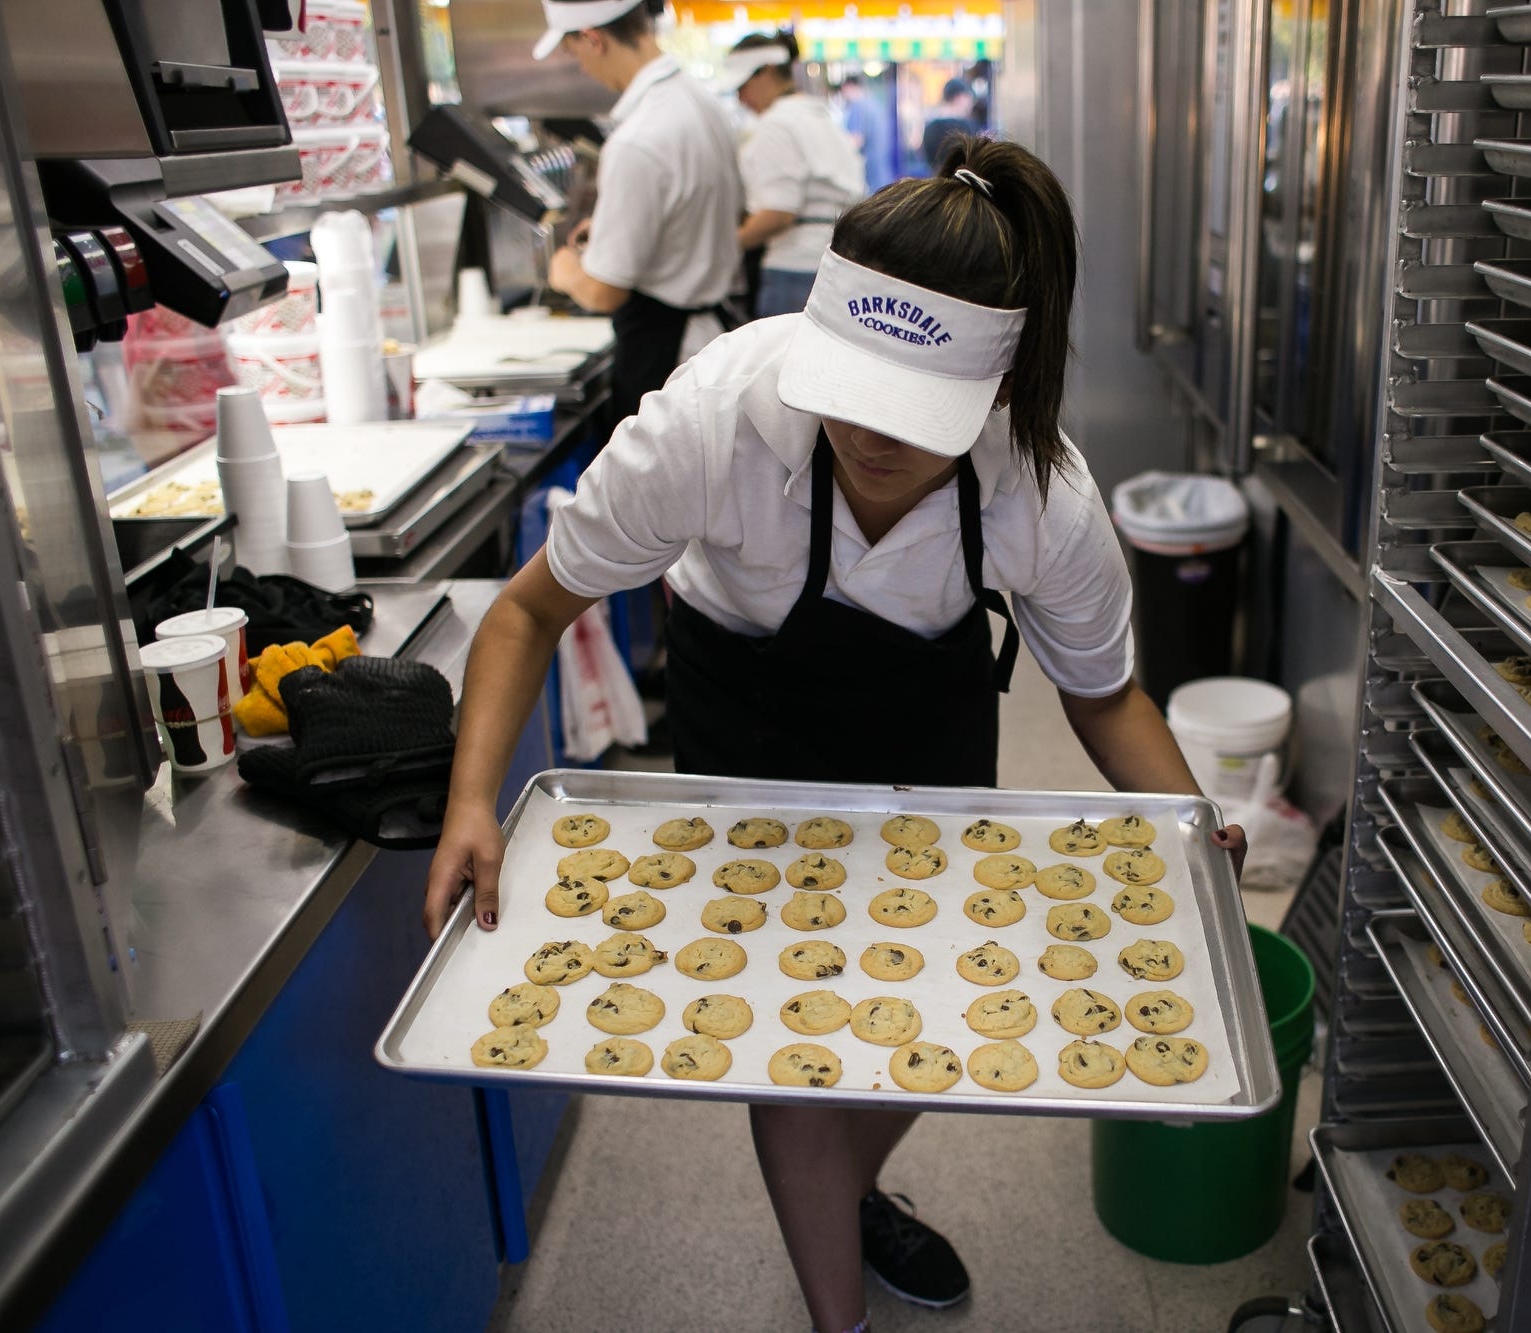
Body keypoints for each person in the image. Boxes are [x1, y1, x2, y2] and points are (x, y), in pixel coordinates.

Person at [422, 137, 1247, 1333]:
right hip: (749, 719)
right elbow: (528, 609)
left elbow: (1105, 696)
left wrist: (1191, 831)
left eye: (913, 416)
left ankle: (844, 1194)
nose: (869, 436)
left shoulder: (1040, 492)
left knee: (936, 1007)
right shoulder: (711, 420)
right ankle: (836, 1316)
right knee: (785, 1035)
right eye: (846, 391)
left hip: (926, 721)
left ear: (997, 392)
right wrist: (469, 803)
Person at [535, 0, 744, 421]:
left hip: (665, 362)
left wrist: (564, 269)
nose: (584, 69)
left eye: (576, 55)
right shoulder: (701, 102)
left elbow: (604, 291)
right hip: (711, 341)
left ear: (593, 38)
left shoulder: (637, 139)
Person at [718, 33, 869, 319]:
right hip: (838, 263)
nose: (741, 98)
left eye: (742, 86)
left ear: (767, 72)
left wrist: (726, 245)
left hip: (793, 271)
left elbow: (779, 212)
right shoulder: (820, 117)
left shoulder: (776, 125)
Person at [837, 73, 894, 196]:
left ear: (848, 86)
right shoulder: (874, 103)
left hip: (870, 176)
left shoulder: (858, 106)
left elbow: (856, 140)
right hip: (882, 175)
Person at [918, 78, 978, 172]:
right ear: (959, 97)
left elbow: (926, 156)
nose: (971, 103)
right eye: (969, 97)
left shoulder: (930, 126)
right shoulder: (966, 125)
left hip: (936, 178)